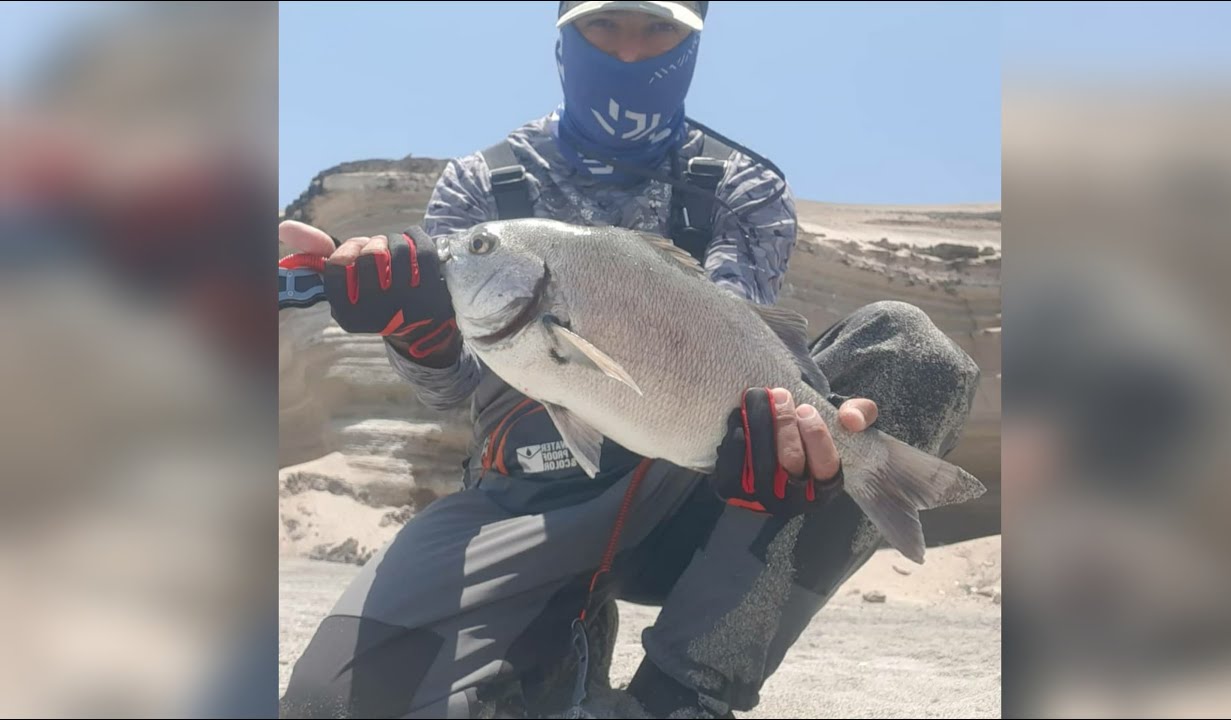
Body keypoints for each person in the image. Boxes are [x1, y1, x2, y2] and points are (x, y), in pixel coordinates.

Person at [278, 2, 981, 718]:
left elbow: (731, 334)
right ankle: (562, 642)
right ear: (563, 37)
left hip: (697, 487)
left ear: (694, 42)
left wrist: (783, 441)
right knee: (326, 706)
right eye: (602, 25)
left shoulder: (743, 187)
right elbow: (450, 388)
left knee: (912, 351)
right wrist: (417, 330)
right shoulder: (478, 187)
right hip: (519, 497)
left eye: (658, 29)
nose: (629, 52)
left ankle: (686, 692)